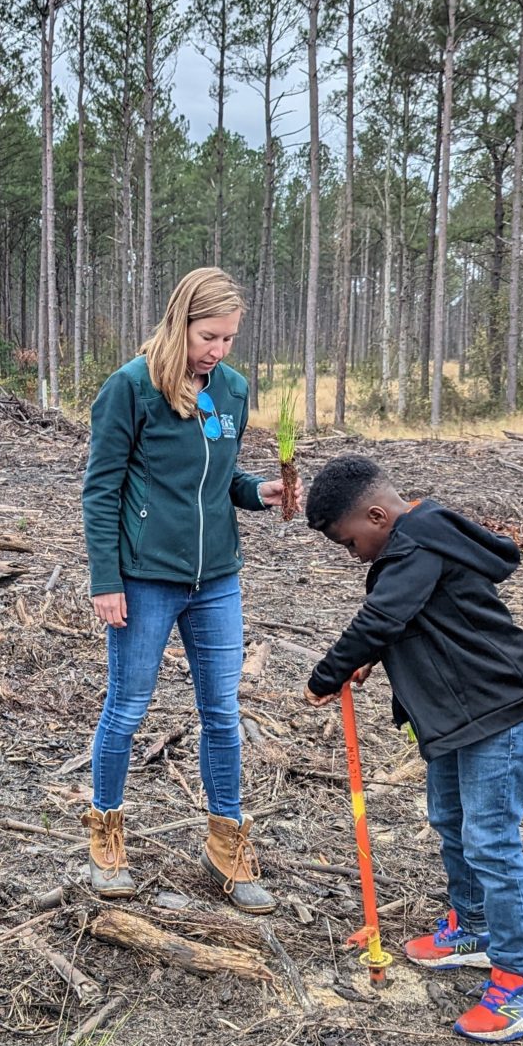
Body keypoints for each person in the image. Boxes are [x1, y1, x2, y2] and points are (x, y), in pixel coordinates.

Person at [302, 454, 523, 1043]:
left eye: (350, 542)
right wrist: (376, 654)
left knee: (491, 840)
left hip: (496, 710)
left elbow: (382, 615)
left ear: (375, 514)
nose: (354, 554)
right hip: (456, 713)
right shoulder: (417, 541)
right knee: (450, 819)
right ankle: (474, 926)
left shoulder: (415, 546)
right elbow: (408, 619)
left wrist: (328, 674)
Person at [80, 267, 298, 914]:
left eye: (230, 339)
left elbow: (223, 480)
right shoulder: (131, 387)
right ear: (181, 322)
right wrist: (105, 578)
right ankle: (107, 836)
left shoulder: (230, 390)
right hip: (145, 579)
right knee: (127, 708)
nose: (220, 351)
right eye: (210, 336)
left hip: (216, 581)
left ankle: (226, 844)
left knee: (223, 713)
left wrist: (261, 491)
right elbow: (101, 489)